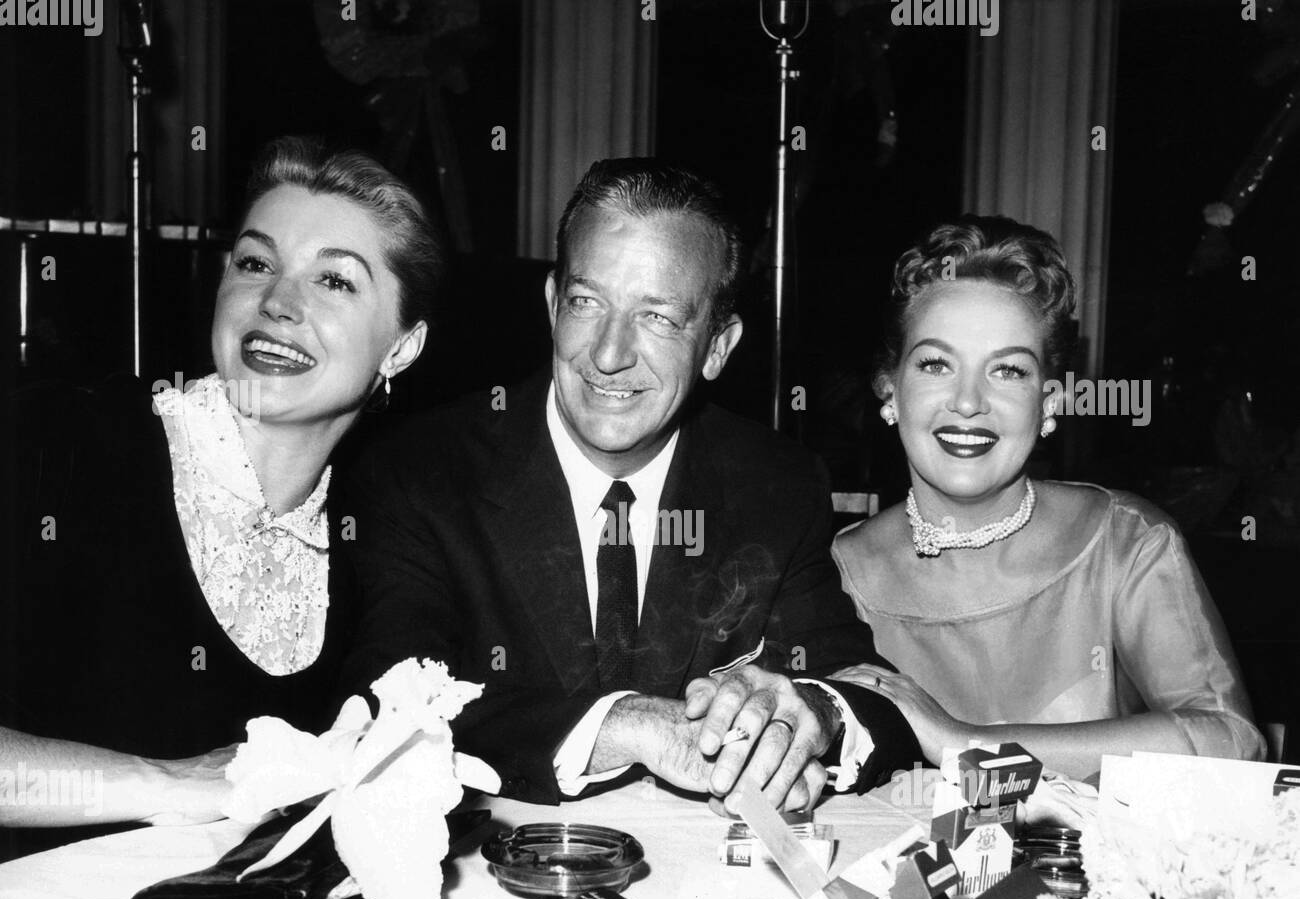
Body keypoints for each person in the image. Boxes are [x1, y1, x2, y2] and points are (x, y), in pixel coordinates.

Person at [341, 158, 918, 813]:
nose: (610, 354)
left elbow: (867, 690)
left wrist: (812, 716)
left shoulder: (775, 485)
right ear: (554, 304)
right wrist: (628, 727)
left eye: (659, 318)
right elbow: (381, 703)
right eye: (588, 303)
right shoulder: (420, 474)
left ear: (718, 347)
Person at [0, 136, 439, 836]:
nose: (278, 302)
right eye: (256, 263)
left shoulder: (383, 542)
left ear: (402, 348)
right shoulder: (58, 442)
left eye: (334, 281)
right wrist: (164, 785)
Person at [831, 215, 1266, 779]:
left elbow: (1233, 742)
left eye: (1008, 371)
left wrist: (965, 742)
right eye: (936, 364)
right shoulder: (839, 571)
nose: (968, 401)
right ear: (890, 388)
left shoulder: (1126, 540)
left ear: (1051, 401)